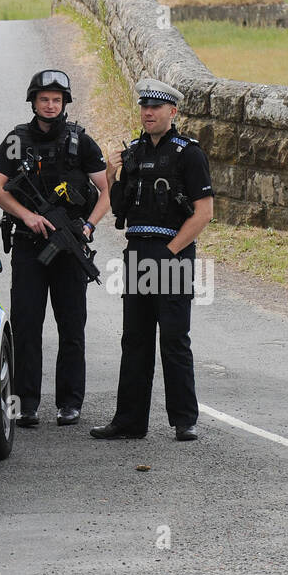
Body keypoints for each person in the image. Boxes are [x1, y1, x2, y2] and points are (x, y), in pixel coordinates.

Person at [91, 79, 214, 443]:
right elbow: (122, 208)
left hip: (171, 256)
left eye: (156, 107)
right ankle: (129, 421)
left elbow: (203, 212)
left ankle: (184, 421)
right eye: (144, 106)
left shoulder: (189, 154)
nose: (148, 112)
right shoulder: (132, 153)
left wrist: (172, 251)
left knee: (174, 339)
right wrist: (113, 176)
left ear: (172, 112)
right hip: (137, 254)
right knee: (135, 339)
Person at [0, 69, 109, 428]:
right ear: (34, 102)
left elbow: (106, 191)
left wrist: (88, 226)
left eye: (57, 100)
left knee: (72, 326)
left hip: (69, 247)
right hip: (30, 247)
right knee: (27, 325)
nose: (51, 105)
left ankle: (70, 403)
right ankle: (26, 404)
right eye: (45, 99)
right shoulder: (16, 140)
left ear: (65, 103)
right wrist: (26, 216)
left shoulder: (81, 141)